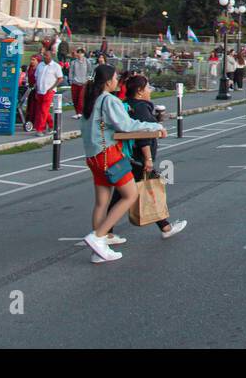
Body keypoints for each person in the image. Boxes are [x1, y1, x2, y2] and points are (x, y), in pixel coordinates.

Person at [80, 64, 166, 263]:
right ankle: (99, 236)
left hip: (93, 156)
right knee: (130, 194)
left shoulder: (90, 100)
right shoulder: (109, 100)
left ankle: (98, 250)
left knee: (101, 202)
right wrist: (155, 125)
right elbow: (127, 125)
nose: (118, 81)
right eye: (116, 78)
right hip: (109, 154)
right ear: (108, 81)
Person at [123, 74, 187, 239]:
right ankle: (165, 227)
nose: (150, 90)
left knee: (122, 193)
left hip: (131, 156)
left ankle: (105, 231)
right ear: (139, 91)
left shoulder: (128, 105)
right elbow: (143, 134)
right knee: (149, 190)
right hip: (139, 158)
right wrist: (148, 158)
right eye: (147, 87)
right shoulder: (141, 107)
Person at [32, 49, 64, 133]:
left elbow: (60, 79)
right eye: (44, 55)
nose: (44, 57)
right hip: (40, 90)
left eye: (46, 55)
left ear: (51, 56)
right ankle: (51, 125)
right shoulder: (40, 65)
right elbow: (36, 77)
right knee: (41, 110)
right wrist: (36, 87)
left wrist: (52, 88)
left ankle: (40, 129)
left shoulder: (56, 66)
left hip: (49, 91)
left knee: (43, 110)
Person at [68, 48, 91, 116]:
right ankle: (77, 112)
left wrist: (88, 79)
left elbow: (90, 71)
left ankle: (80, 112)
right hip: (75, 83)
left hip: (84, 83)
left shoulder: (87, 62)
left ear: (84, 54)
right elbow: (71, 72)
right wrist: (71, 80)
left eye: (81, 53)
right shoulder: (73, 62)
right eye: (79, 53)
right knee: (75, 98)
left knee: (81, 99)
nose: (80, 54)